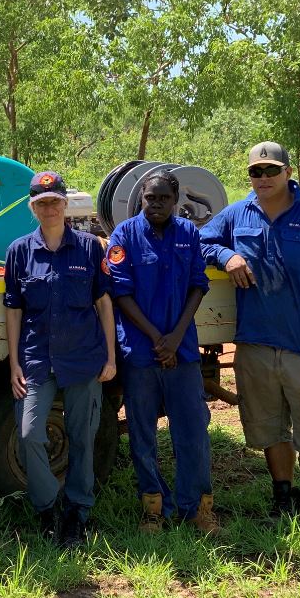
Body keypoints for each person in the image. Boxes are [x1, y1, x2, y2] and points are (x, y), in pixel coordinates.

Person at [200, 142, 300, 531]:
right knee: (268, 426)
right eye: (256, 172)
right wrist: (227, 256)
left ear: (289, 173)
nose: (263, 178)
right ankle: (283, 496)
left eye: (271, 170)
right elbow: (199, 241)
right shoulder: (237, 216)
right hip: (255, 344)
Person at [3, 171, 116, 548]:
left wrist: (110, 357)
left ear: (65, 204)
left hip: (83, 357)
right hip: (35, 360)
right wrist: (14, 363)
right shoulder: (19, 250)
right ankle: (48, 506)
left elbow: (104, 303)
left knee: (84, 436)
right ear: (32, 207)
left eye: (54, 201)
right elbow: (14, 309)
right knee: (30, 434)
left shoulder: (89, 248)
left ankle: (77, 513)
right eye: (41, 202)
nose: (49, 208)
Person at [107, 171, 218, 535]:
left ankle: (197, 508)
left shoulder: (188, 234)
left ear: (175, 200)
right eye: (149, 198)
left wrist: (175, 338)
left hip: (182, 352)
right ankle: (154, 507)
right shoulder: (124, 235)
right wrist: (159, 339)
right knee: (143, 435)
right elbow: (120, 293)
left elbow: (198, 286)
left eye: (162, 198)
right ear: (140, 198)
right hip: (141, 354)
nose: (155, 204)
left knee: (193, 431)